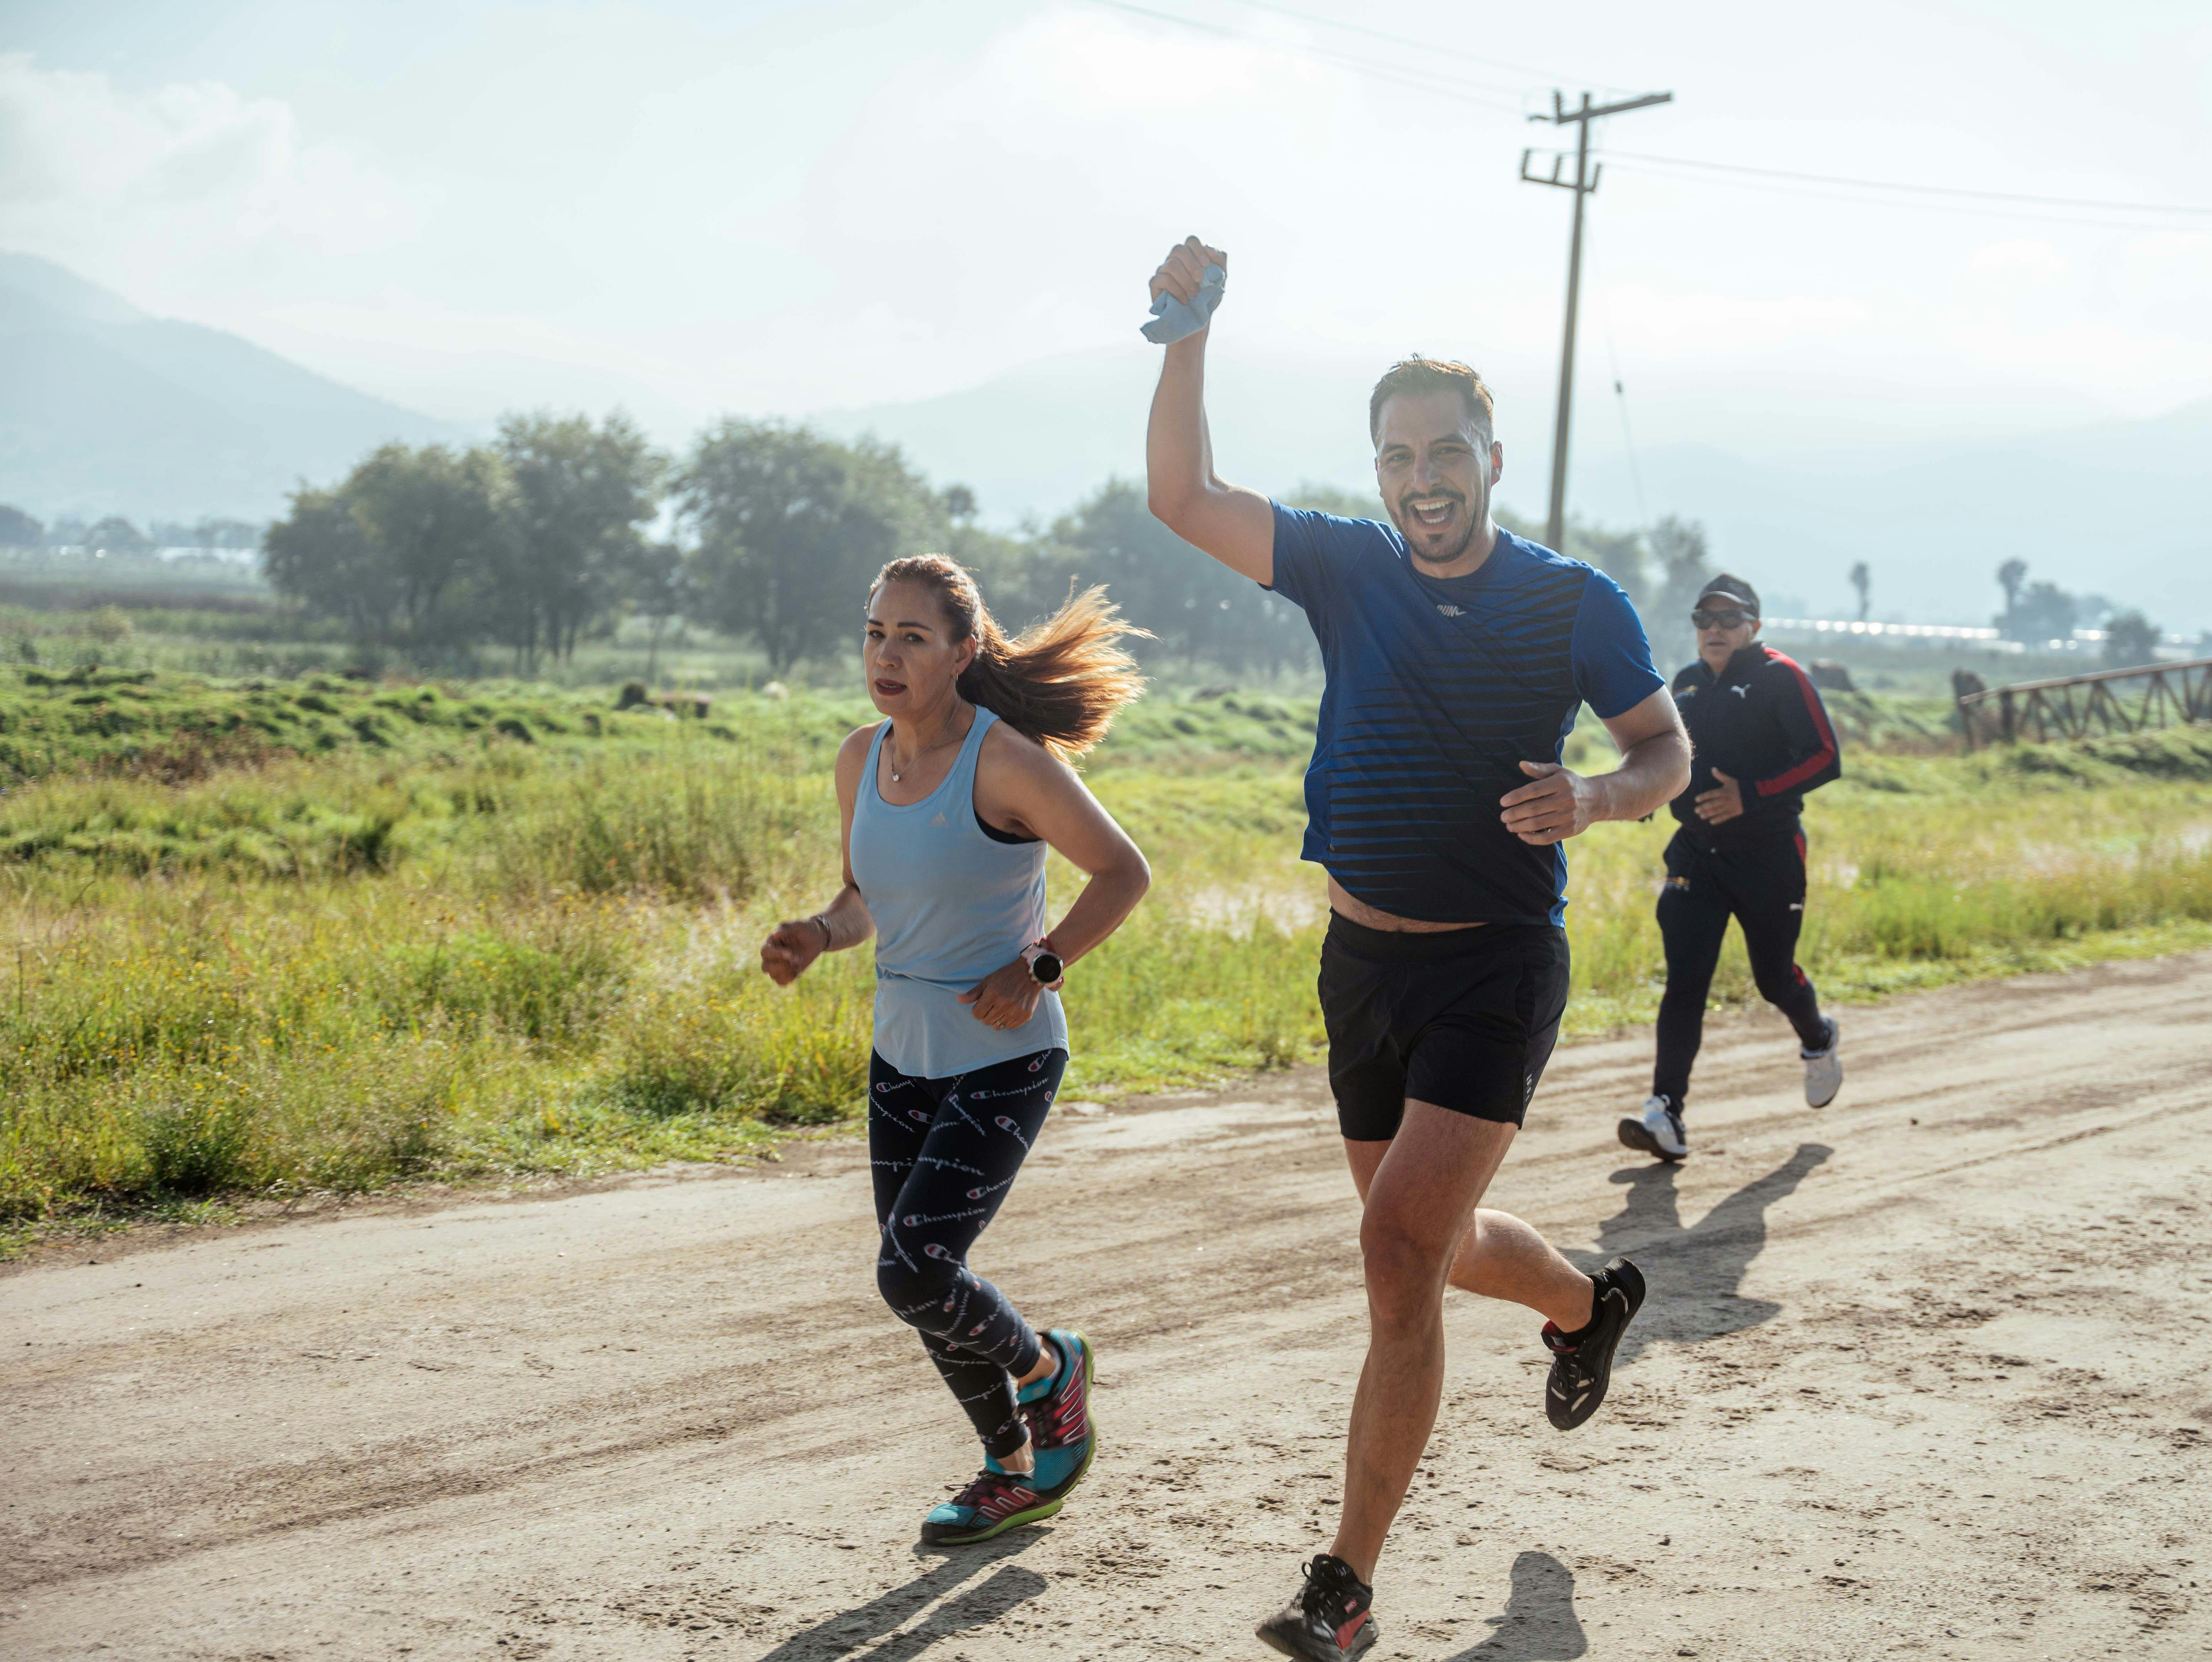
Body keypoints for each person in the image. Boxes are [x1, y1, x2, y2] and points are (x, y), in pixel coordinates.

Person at [1142, 236, 1693, 1662]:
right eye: (1397, 456)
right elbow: (1182, 496)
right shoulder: (1344, 567)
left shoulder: (1574, 603)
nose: (1421, 477)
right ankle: (1587, 1301)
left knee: (1396, 1248)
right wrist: (1187, 334)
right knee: (1426, 1251)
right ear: (1379, 470)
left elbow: (1666, 751)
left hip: (1495, 962)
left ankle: (1346, 1584)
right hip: (1361, 964)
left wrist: (1601, 797)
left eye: (1446, 450)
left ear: (1492, 460)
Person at [760, 553, 1152, 1546]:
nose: (885, 655)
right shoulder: (862, 757)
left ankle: (1050, 1371)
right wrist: (817, 931)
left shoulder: (1006, 760)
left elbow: (1122, 872)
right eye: (875, 633)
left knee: (916, 1272)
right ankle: (1009, 1472)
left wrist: (1043, 966)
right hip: (903, 1053)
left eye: (913, 637)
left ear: (963, 653)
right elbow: (862, 900)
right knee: (920, 1267)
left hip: (1003, 1055)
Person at [1619, 575, 1845, 1166]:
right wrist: (1645, 795)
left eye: (1728, 618)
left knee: (1774, 980)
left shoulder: (1780, 677)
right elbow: (1661, 752)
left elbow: (1826, 756)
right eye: (1703, 619)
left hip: (1769, 858)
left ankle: (1817, 1036)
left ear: (1754, 626)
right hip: (1695, 857)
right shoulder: (1687, 684)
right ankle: (1666, 1112)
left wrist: (1754, 794)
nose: (1714, 629)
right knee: (1685, 984)